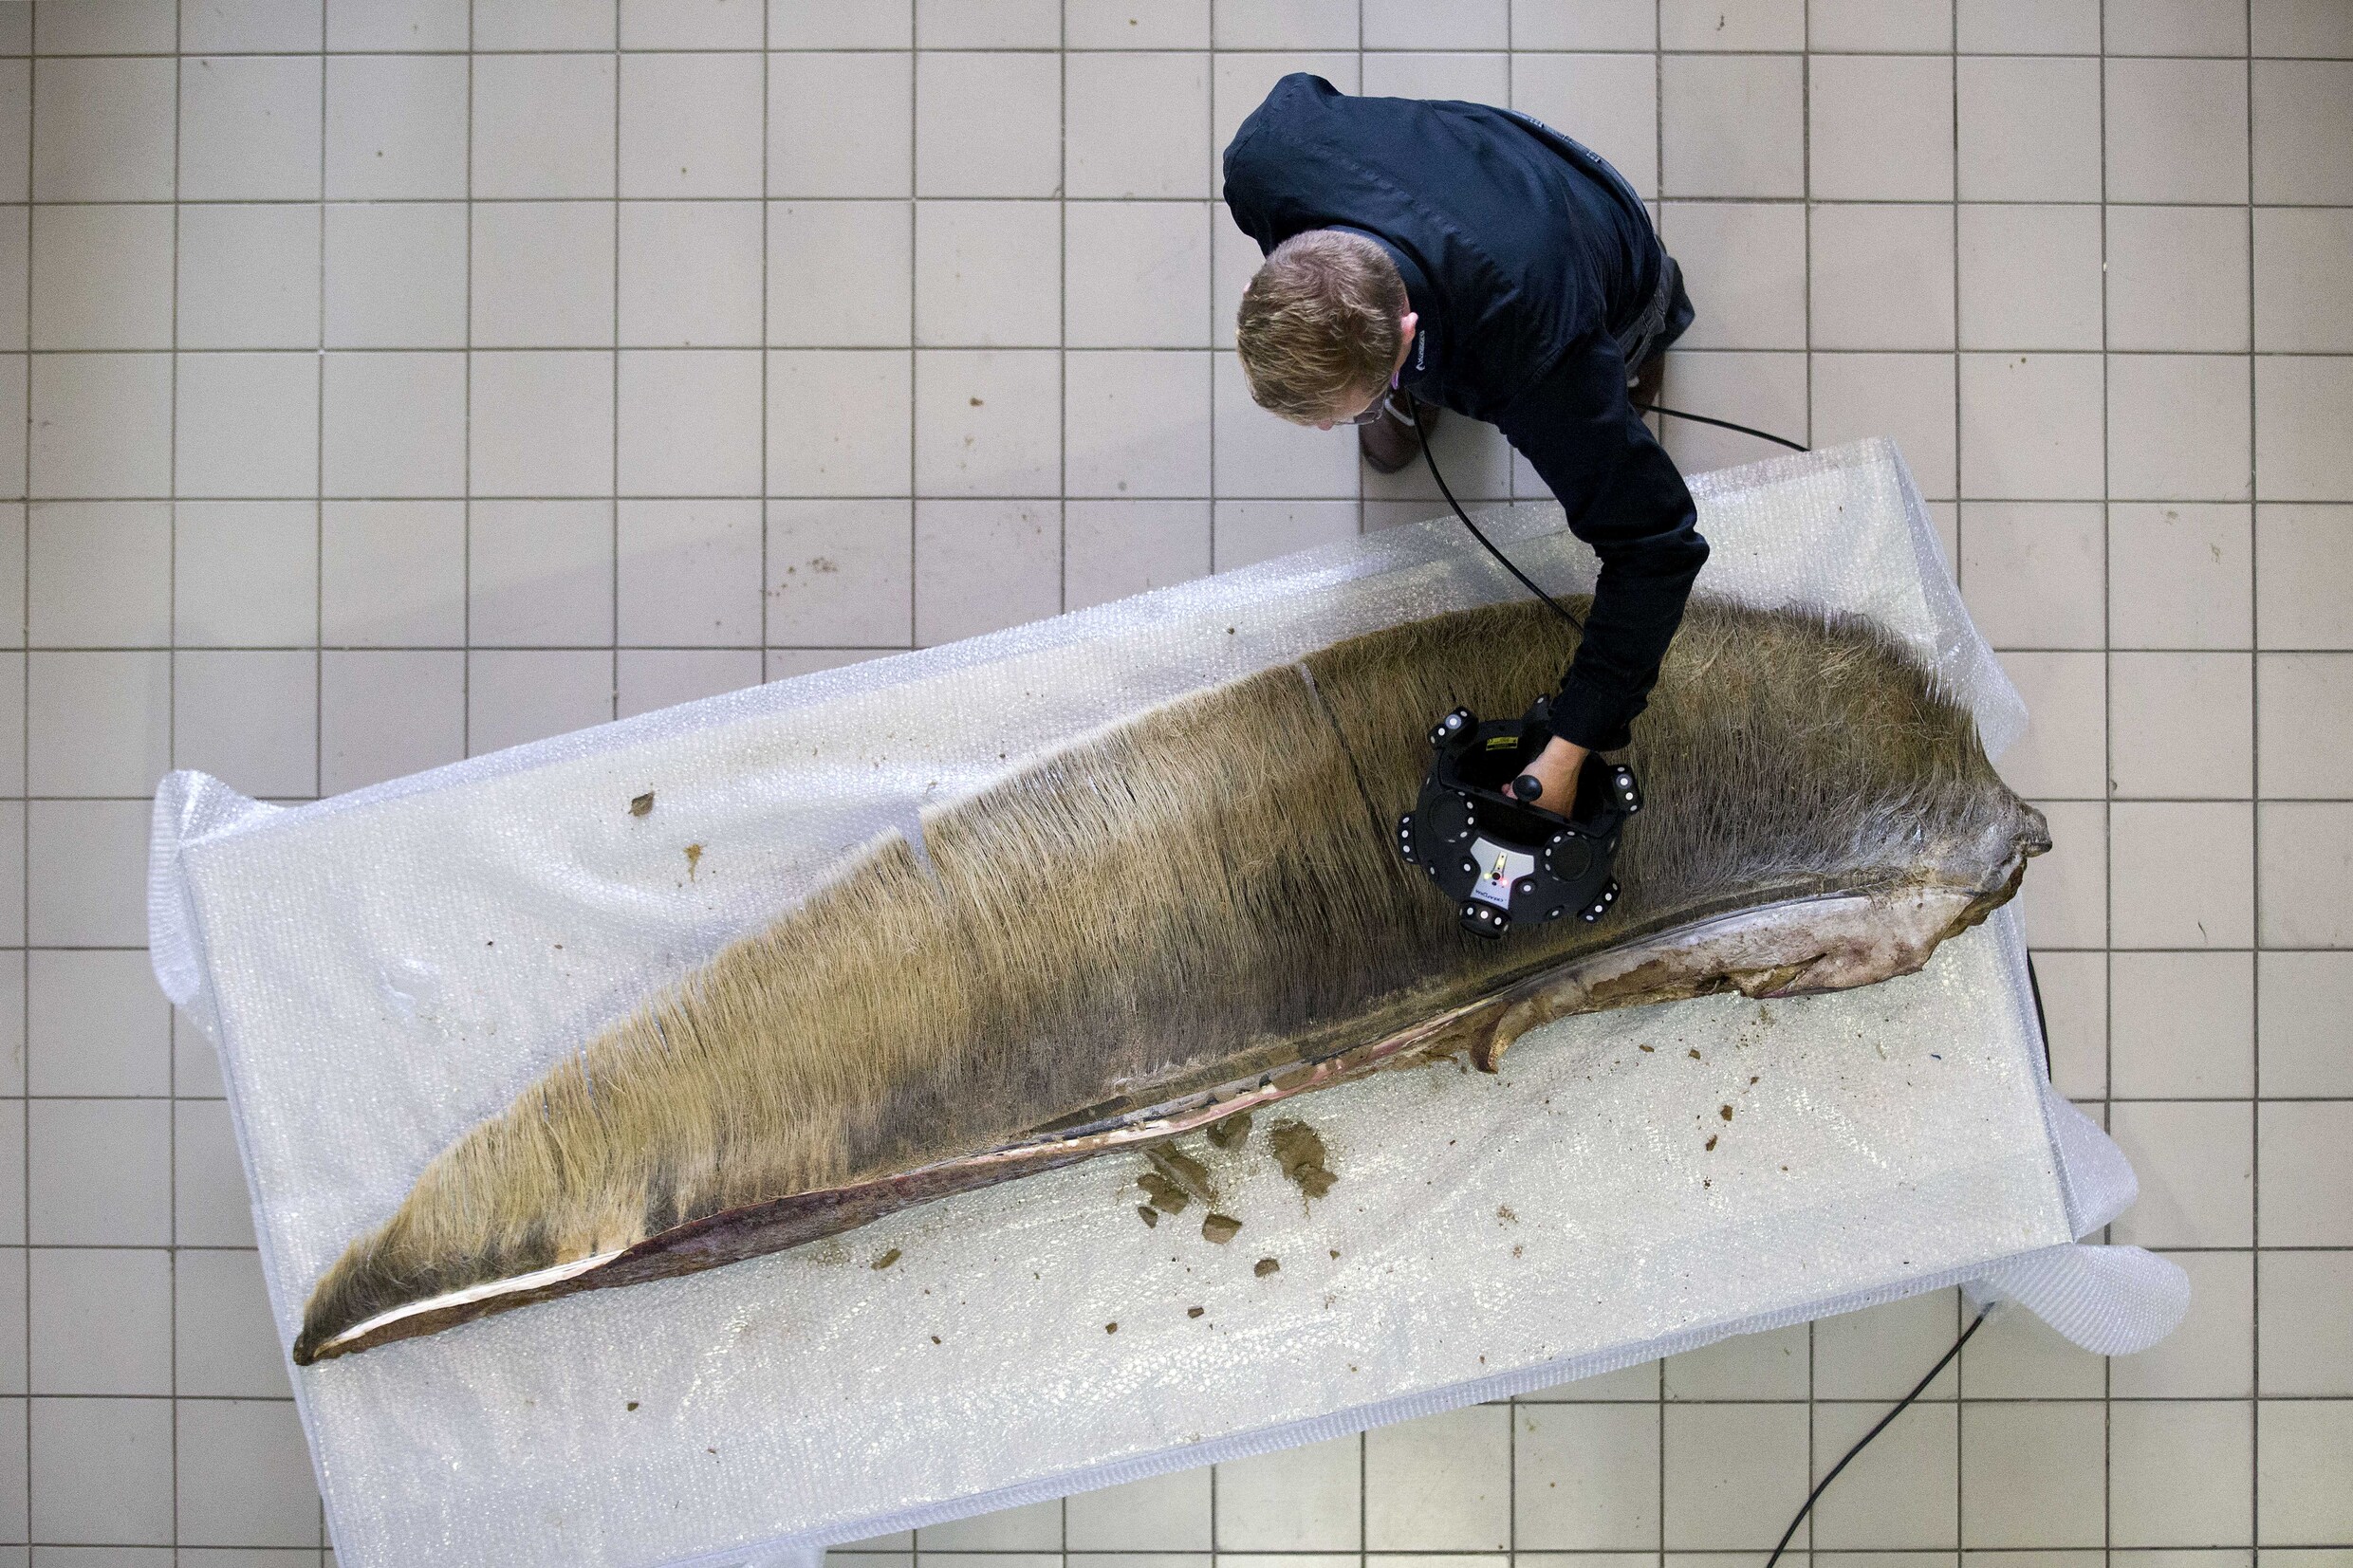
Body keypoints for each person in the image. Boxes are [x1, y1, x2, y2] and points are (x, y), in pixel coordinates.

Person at [1224, 74, 1705, 811]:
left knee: (1622, 350)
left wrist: (1569, 750)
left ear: (1409, 332)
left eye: (1346, 411)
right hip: (1482, 174)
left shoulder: (1532, 347)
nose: (1325, 429)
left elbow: (1657, 546)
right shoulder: (1265, 157)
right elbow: (1304, 92)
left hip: (1592, 240)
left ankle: (1636, 350)